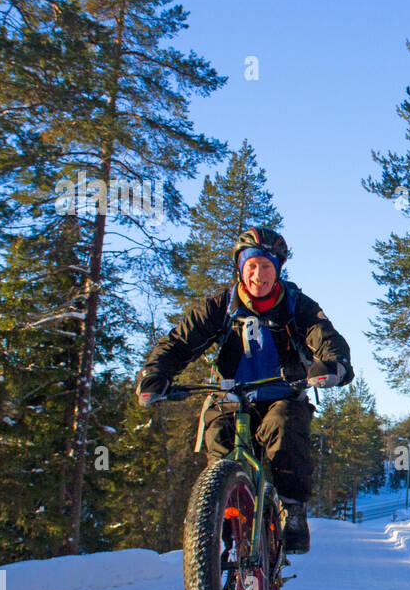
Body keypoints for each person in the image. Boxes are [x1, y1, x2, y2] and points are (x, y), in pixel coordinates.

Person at [135, 227, 352, 553]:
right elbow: (179, 342)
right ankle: (218, 527)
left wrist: (333, 365)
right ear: (240, 267)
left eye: (266, 266)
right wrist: (156, 374)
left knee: (284, 426)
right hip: (229, 398)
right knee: (219, 442)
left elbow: (327, 339)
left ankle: (292, 509)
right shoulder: (220, 307)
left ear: (277, 269)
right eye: (251, 266)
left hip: (281, 395)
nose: (258, 274)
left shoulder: (297, 306)